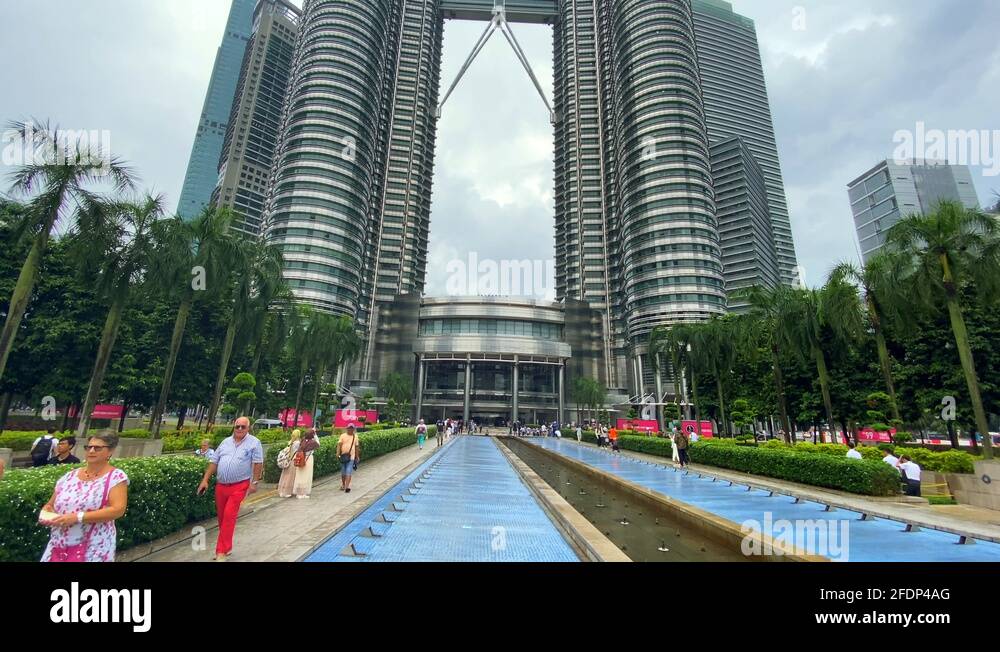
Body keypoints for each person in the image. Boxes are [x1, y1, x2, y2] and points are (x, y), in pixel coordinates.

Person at [38, 432, 129, 562]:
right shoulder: (69, 476)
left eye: (98, 448)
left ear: (110, 451)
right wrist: (48, 512)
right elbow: (50, 504)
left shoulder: (116, 477)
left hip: (93, 547)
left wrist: (77, 517)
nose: (91, 451)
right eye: (88, 447)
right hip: (58, 545)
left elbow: (117, 509)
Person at [197, 417, 264, 562]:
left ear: (248, 428)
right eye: (237, 426)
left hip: (239, 485)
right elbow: (214, 461)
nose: (239, 429)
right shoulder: (225, 442)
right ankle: (226, 547)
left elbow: (258, 463)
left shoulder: (254, 443)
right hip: (221, 485)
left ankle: (220, 552)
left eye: (243, 427)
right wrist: (205, 480)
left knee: (229, 516)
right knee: (222, 517)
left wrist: (255, 482)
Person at [293, 429, 320, 499]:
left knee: (300, 475)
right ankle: (303, 493)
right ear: (312, 435)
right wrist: (315, 435)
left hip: (301, 459)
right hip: (308, 459)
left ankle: (298, 493)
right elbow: (318, 444)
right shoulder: (312, 442)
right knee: (306, 476)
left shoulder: (303, 441)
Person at [277, 430, 302, 498]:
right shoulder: (297, 443)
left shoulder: (290, 442)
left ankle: (282, 491)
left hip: (288, 461)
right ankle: (288, 492)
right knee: (291, 477)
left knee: (285, 476)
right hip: (293, 461)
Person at [338, 424, 361, 493]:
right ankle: (343, 484)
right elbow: (339, 445)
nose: (350, 430)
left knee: (348, 471)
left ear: (353, 429)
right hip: (343, 456)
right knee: (343, 471)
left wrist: (357, 456)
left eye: (352, 428)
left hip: (351, 457)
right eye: (349, 428)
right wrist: (338, 453)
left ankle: (347, 486)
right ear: (347, 429)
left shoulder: (355, 437)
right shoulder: (343, 436)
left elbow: (357, 447)